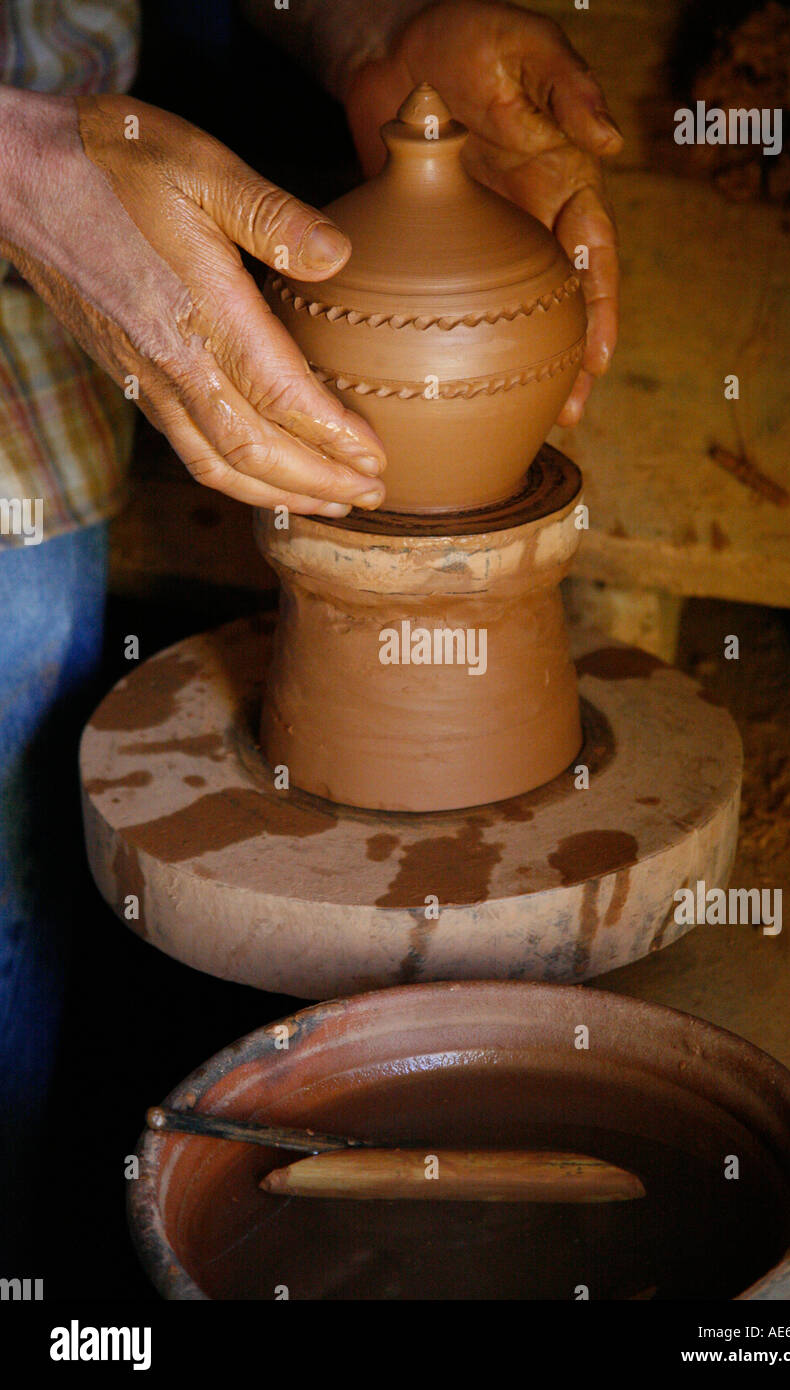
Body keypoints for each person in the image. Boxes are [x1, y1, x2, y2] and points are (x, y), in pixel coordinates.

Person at [0, 0, 620, 1260]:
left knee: (20, 910)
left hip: (52, 341)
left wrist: (371, 32)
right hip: (52, 210)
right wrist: (16, 165)